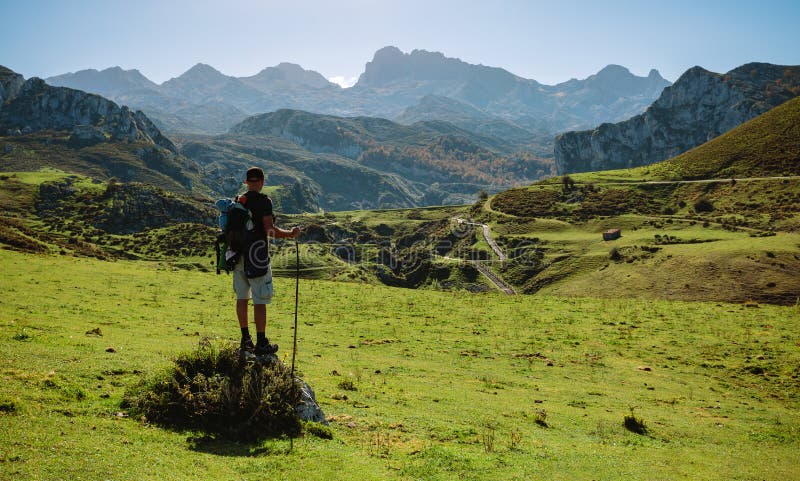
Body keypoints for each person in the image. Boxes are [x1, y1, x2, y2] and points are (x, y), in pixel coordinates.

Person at [234, 167, 300, 357]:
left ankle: (245, 340)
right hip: (257, 257)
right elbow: (269, 230)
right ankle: (261, 342)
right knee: (260, 299)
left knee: (242, 297)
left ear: (247, 182)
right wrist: (291, 234)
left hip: (238, 255)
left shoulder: (239, 200)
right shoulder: (264, 202)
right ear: (262, 182)